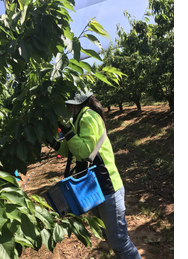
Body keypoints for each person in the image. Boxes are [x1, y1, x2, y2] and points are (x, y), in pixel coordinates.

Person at [50, 89, 141, 259]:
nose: (65, 107)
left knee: (120, 242)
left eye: (67, 103)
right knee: (109, 236)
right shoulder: (78, 118)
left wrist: (67, 129)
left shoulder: (88, 116)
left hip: (107, 186)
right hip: (94, 187)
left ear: (75, 103)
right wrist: (53, 142)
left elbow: (85, 151)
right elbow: (70, 148)